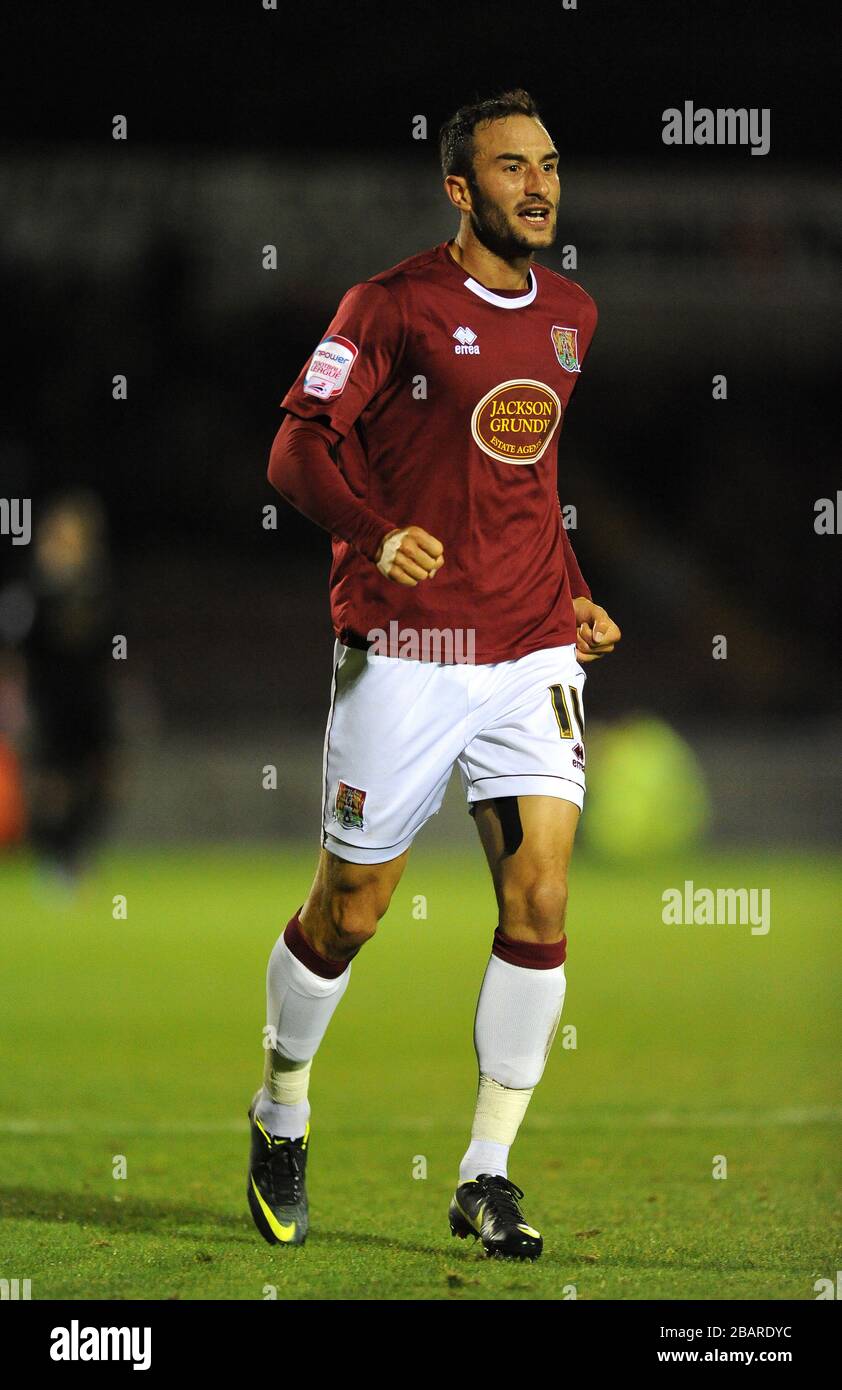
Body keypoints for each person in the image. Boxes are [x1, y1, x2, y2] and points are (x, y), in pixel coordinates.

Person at [248, 89, 621, 1260]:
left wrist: (569, 587)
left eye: (549, 164)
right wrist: (368, 530)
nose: (539, 185)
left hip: (525, 649)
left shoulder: (570, 314)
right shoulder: (392, 304)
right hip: (406, 650)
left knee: (543, 900)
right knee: (349, 910)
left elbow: (527, 480)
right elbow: (295, 445)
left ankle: (485, 1173)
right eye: (512, 167)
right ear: (459, 189)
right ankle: (280, 1105)